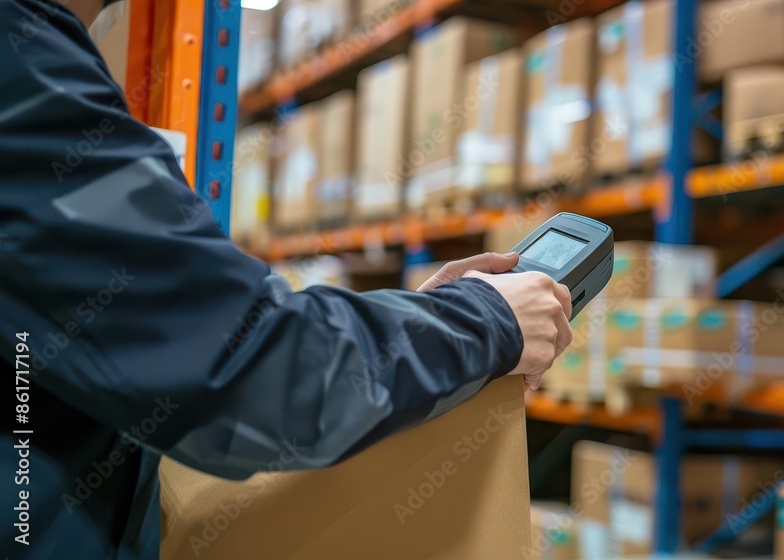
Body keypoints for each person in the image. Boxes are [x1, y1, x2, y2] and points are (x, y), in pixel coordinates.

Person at [0, 1, 573, 558]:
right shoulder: (21, 66)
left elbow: (150, 348)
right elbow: (244, 367)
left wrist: (417, 323)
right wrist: (484, 319)